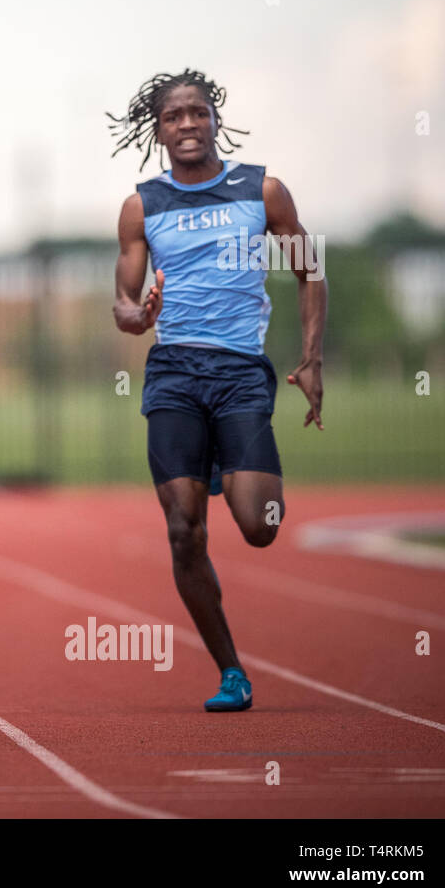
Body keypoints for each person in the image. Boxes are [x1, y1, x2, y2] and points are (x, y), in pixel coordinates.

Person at [108, 69, 326, 710]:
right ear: (159, 129)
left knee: (260, 524)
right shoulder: (142, 205)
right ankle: (231, 670)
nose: (187, 125)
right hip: (174, 371)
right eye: (174, 116)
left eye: (197, 113)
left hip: (238, 374)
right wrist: (137, 316)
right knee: (184, 531)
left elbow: (310, 271)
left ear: (214, 119)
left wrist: (312, 358)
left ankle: (230, 468)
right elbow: (122, 302)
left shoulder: (262, 190)